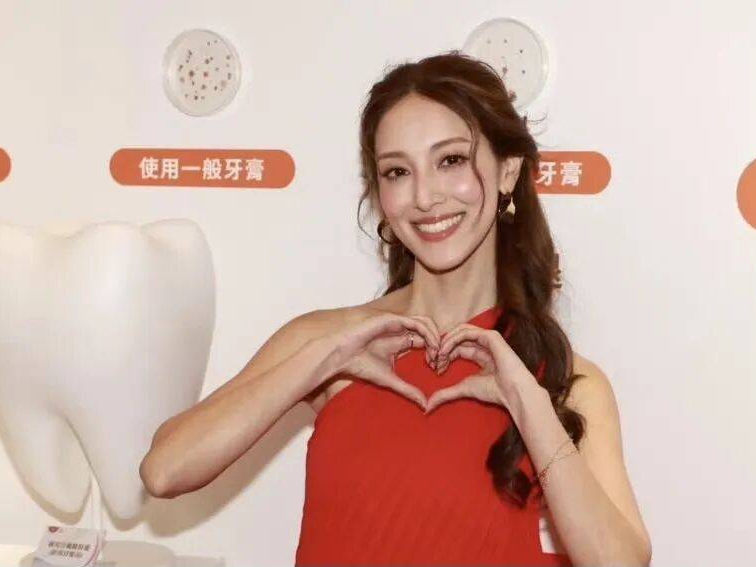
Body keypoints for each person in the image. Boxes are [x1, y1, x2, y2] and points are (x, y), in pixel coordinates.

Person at [140, 51, 652, 566]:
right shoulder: (333, 341)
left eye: (450, 160)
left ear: (507, 171)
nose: (424, 197)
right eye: (397, 171)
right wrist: (324, 359)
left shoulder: (564, 379)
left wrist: (527, 402)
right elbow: (164, 470)